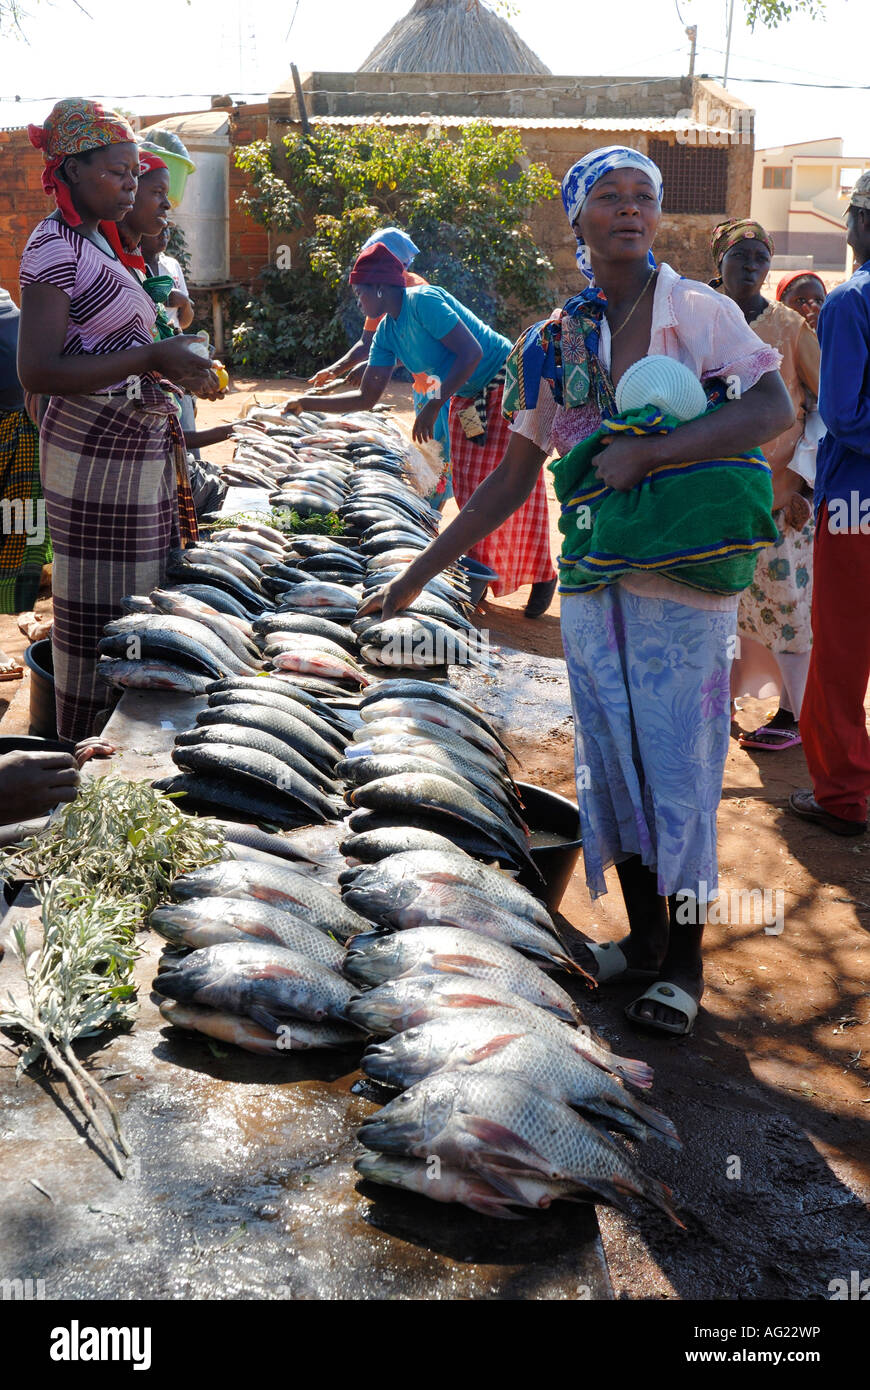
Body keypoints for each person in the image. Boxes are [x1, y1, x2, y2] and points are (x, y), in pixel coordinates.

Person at [359, 147, 793, 1036]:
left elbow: (770, 411)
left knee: (679, 769)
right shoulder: (551, 341)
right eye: (609, 197)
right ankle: (637, 945)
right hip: (596, 590)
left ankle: (683, 965)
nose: (629, 210)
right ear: (579, 218)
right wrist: (412, 578)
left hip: (684, 587)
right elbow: (511, 480)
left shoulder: (699, 311)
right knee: (618, 763)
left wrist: (656, 451)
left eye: (644, 197)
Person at [17, 98, 219, 743]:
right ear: (71, 170)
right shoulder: (52, 246)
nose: (132, 185)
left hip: (134, 449)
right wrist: (157, 354)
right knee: (101, 610)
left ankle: (141, 736)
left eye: (136, 173)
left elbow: (111, 347)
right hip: (93, 453)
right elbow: (39, 371)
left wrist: (171, 368)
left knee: (140, 599)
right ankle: (90, 745)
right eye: (117, 171)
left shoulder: (105, 245)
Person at [285, 240, 558, 618]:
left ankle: (543, 575)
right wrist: (307, 404)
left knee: (511, 481)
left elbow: (472, 353)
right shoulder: (386, 333)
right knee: (468, 488)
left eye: (361, 293)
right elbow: (367, 397)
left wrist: (433, 405)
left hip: (503, 386)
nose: (358, 302)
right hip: (464, 399)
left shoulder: (423, 301)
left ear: (381, 288)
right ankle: (480, 575)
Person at [712, 220, 821, 751]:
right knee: (720, 605)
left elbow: (825, 409)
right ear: (720, 264)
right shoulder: (698, 320)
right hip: (711, 495)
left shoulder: (789, 328)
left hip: (779, 500)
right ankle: (720, 703)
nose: (751, 267)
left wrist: (807, 481)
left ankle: (794, 715)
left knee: (785, 607)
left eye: (760, 258)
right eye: (740, 257)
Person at [789, 172, 870, 836]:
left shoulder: (851, 302)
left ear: (861, 226)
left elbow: (844, 414)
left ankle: (842, 794)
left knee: (842, 652)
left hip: (855, 509)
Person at [308, 226, 453, 508]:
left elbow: (421, 347)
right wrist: (334, 370)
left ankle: (432, 513)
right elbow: (367, 343)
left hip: (445, 381)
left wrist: (375, 367)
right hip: (422, 383)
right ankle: (430, 507)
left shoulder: (417, 291)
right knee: (429, 447)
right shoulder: (378, 289)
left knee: (440, 450)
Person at [0, 284, 52, 679]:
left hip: (20, 433)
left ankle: (22, 614)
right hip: (15, 431)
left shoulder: (8, 303)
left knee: (17, 537)